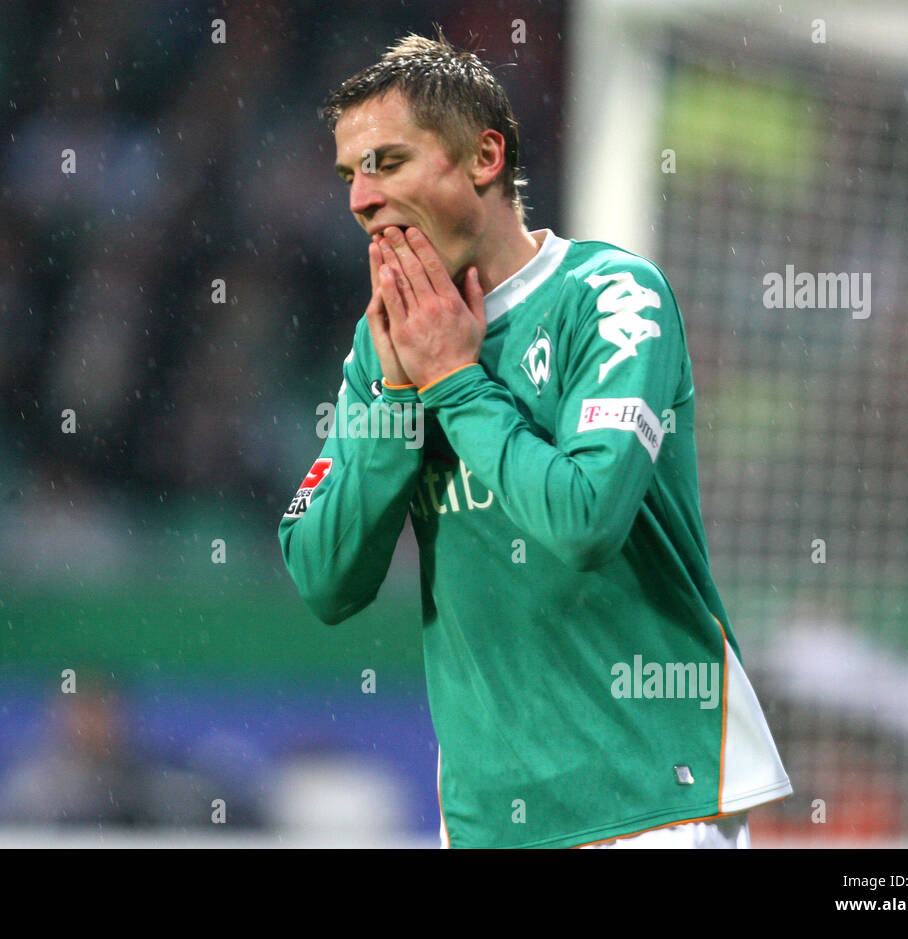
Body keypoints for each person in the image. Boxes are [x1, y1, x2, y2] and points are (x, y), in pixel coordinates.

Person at [277, 32, 791, 848]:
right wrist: (405, 393)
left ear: (483, 156)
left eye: (387, 162)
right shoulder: (384, 350)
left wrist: (456, 383)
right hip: (488, 823)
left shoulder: (611, 295)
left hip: (652, 799)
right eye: (350, 175)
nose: (359, 200)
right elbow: (324, 575)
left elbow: (585, 519)